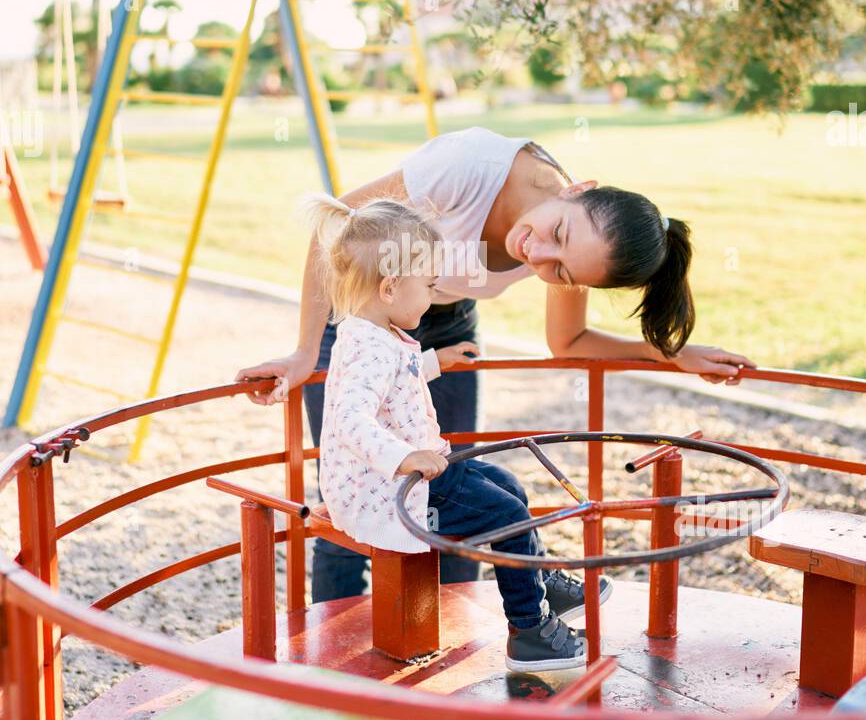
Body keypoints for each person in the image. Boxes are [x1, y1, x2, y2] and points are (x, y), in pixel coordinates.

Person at [236, 125, 755, 602]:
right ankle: (336, 650)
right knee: (358, 493)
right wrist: (305, 352)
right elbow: (337, 232)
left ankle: (456, 630)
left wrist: (668, 352)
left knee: (463, 493)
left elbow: (568, 340)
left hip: (445, 327)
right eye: (558, 235)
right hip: (361, 312)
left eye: (559, 271)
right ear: (577, 188)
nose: (537, 255)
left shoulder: (574, 247)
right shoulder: (470, 166)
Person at [289, 188, 591, 671]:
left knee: (508, 486)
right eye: (429, 287)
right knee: (506, 512)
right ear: (390, 288)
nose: (433, 297)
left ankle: (541, 583)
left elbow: (391, 383)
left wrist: (433, 361)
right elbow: (349, 420)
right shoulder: (369, 344)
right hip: (391, 488)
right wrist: (405, 458)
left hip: (410, 474)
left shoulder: (371, 331)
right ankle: (530, 632)